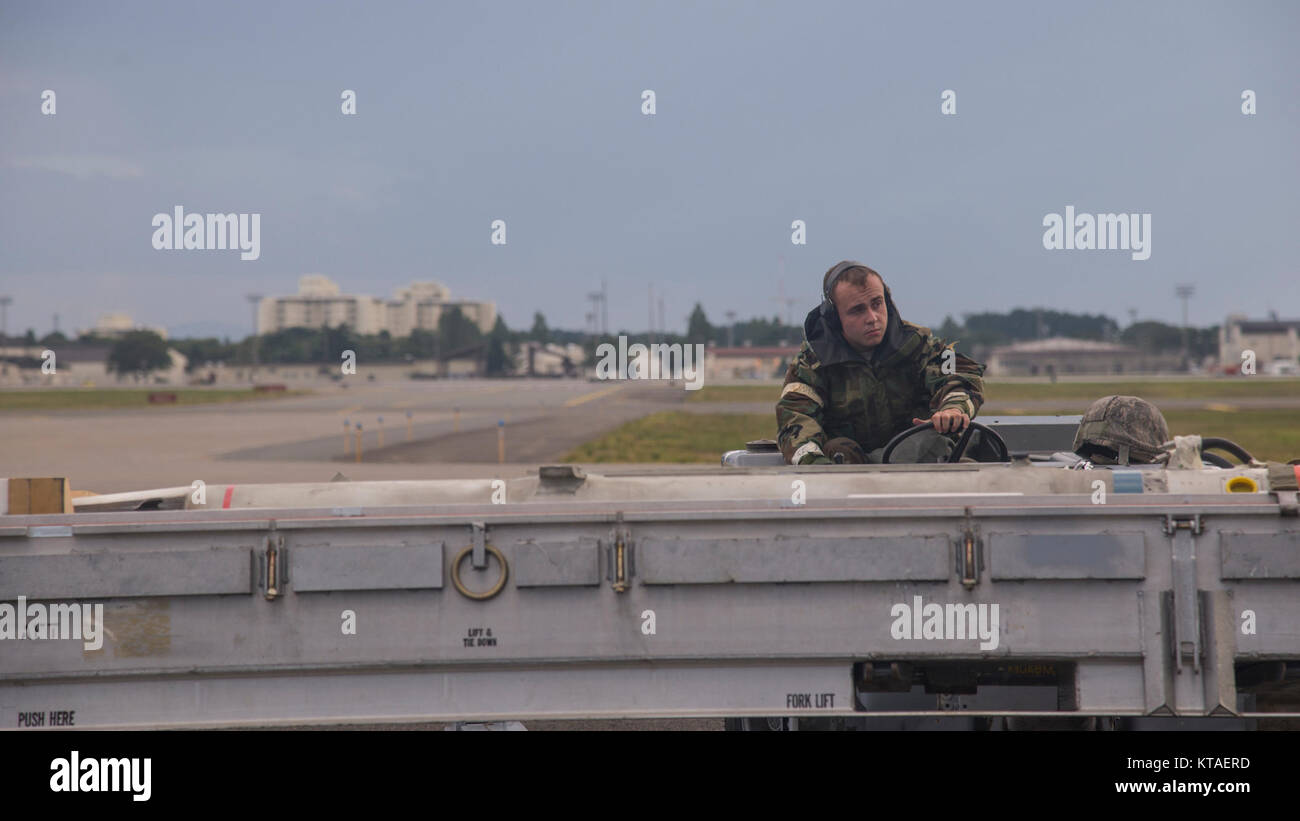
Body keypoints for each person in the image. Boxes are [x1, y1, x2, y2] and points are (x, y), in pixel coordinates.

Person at [776, 260, 986, 465]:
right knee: (839, 449)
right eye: (857, 310)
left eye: (877, 303)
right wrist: (815, 465)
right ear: (834, 318)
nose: (872, 317)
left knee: (942, 447)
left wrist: (953, 409)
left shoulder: (919, 345)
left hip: (917, 466)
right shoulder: (812, 363)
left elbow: (958, 375)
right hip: (848, 474)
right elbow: (796, 417)